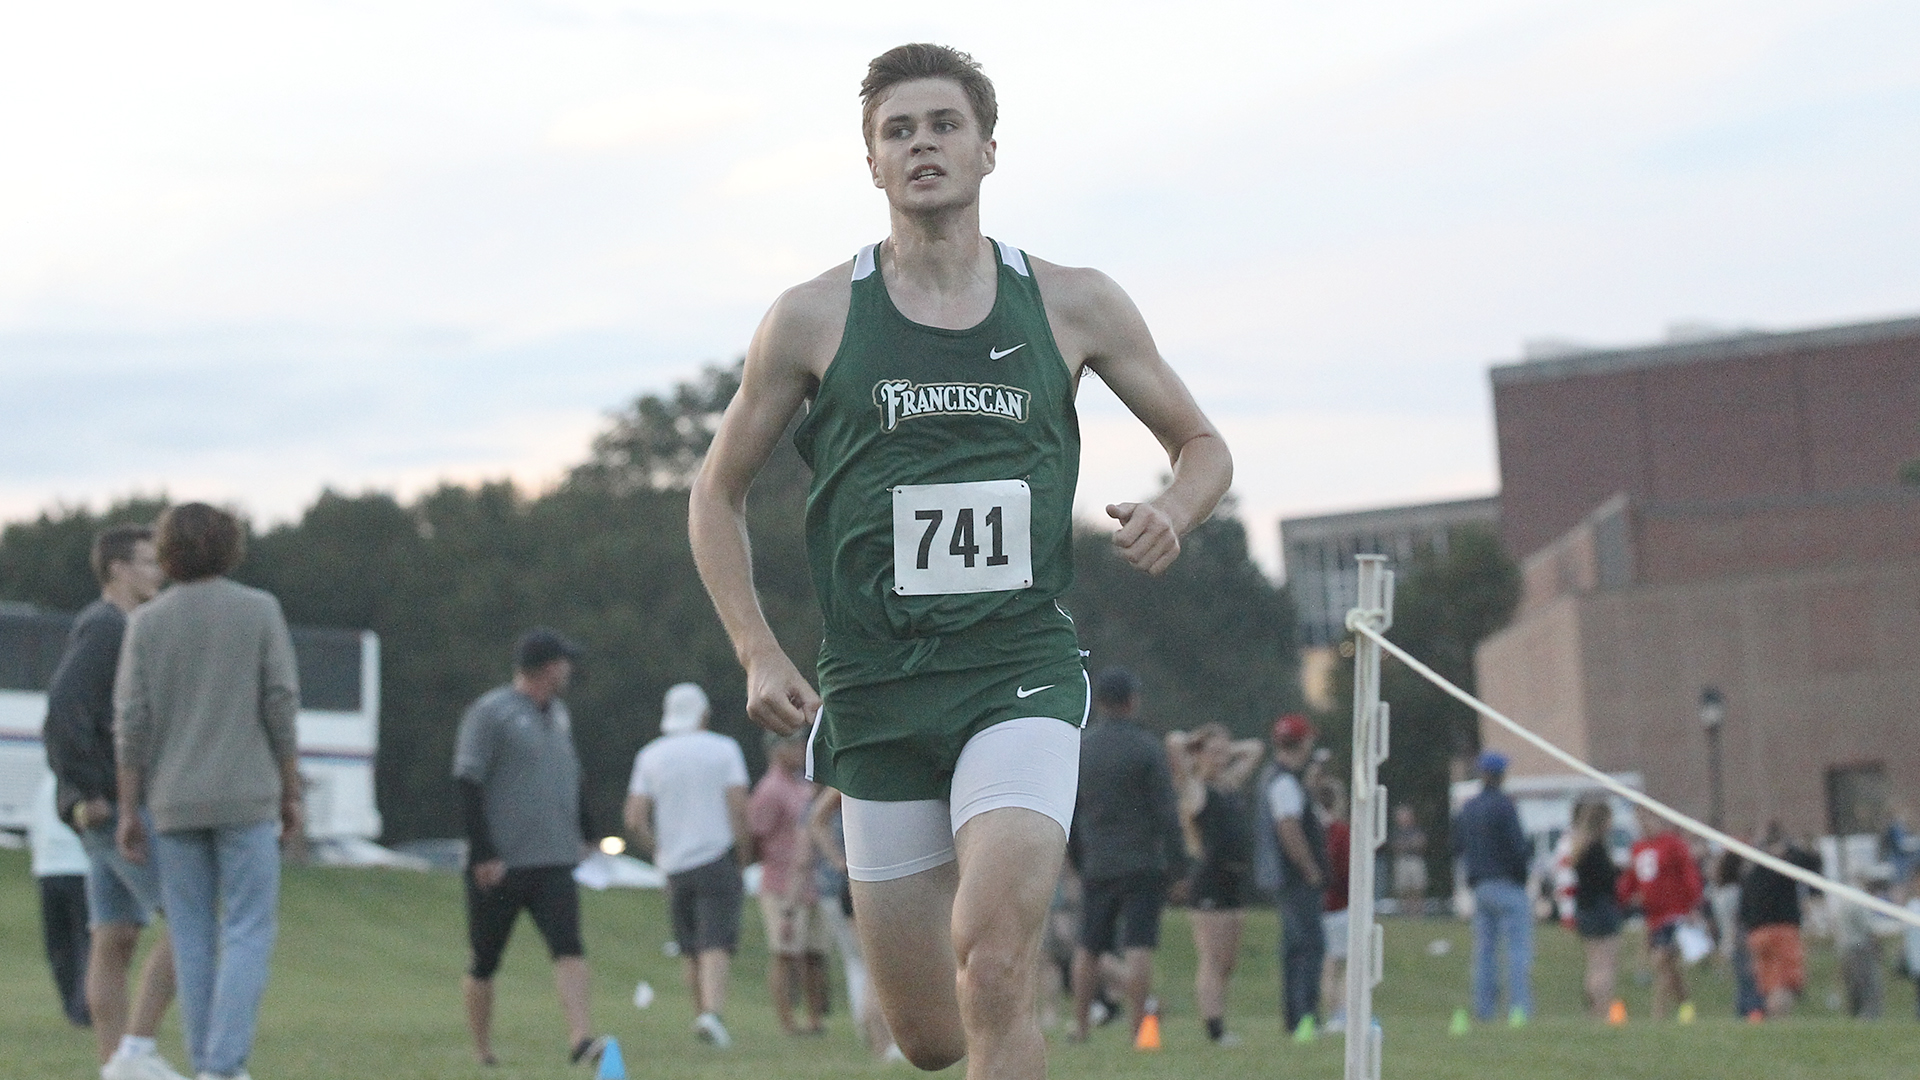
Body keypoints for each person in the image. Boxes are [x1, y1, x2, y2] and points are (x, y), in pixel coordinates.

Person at [685, 42, 1231, 1080]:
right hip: (876, 690)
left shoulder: (1072, 303)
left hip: (1015, 668)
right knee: (930, 1038)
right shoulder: (812, 318)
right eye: (899, 131)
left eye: (942, 125)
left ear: (987, 149)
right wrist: (756, 650)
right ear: (873, 164)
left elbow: (1203, 448)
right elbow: (715, 492)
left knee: (993, 961)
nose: (922, 145)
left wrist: (1175, 509)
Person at [114, 503, 301, 1080]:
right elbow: (280, 705)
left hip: (172, 802)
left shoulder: (146, 623)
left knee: (190, 934)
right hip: (246, 796)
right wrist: (290, 792)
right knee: (248, 928)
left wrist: (128, 808)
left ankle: (205, 1063)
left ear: (168, 551)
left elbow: (131, 722)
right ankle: (224, 1065)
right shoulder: (260, 610)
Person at [41, 523, 187, 1080]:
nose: (160, 572)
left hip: (107, 805)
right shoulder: (106, 628)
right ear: (119, 569)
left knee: (116, 936)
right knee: (191, 917)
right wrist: (87, 791)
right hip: (115, 805)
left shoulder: (120, 626)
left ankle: (112, 1067)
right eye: (149, 562)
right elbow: (62, 709)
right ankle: (135, 1054)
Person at [451, 627, 608, 1069]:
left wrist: (587, 831)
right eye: (564, 663)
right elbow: (468, 781)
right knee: (484, 958)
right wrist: (483, 852)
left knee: (568, 946)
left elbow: (571, 775)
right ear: (546, 667)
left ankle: (580, 1038)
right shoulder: (490, 713)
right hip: (502, 862)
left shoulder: (559, 715)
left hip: (554, 857)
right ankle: (483, 1051)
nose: (569, 671)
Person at [1065, 668, 1189, 1044]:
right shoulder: (1147, 747)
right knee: (1138, 946)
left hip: (1098, 862)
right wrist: (1179, 865)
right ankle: (1139, 1029)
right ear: (1132, 700)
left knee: (1089, 947)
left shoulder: (1084, 748)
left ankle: (1081, 1026)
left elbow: (1071, 809)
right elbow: (1167, 811)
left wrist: (1078, 858)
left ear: (1100, 702)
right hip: (1142, 862)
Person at [626, 682, 752, 1049]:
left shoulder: (650, 755)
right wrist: (743, 856)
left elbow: (634, 818)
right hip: (716, 857)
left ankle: (699, 1013)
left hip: (675, 864)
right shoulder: (724, 749)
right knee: (716, 941)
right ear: (704, 714)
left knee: (689, 944)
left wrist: (659, 851)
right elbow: (739, 809)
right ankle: (712, 1014)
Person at [1166, 723, 1263, 1045]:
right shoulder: (1195, 788)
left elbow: (1256, 748)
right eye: (1215, 753)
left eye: (1225, 752)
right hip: (1208, 880)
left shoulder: (1230, 785)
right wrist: (1199, 746)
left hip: (1235, 880)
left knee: (1228, 961)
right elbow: (1174, 741)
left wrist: (1225, 749)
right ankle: (1214, 1029)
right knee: (1211, 957)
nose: (1222, 759)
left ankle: (1219, 1017)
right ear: (1201, 754)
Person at [807, 786, 900, 1058]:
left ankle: (883, 1041)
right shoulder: (854, 772)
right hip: (867, 877)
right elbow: (816, 819)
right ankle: (882, 1043)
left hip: (879, 876)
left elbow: (816, 819)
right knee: (878, 966)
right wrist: (839, 860)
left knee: (879, 965)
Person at [748, 733, 830, 1036]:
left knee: (814, 954)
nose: (799, 750)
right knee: (785, 953)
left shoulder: (802, 786)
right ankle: (787, 1021)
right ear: (776, 750)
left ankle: (815, 1018)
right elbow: (756, 834)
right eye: (793, 745)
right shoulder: (769, 790)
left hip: (811, 882)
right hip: (781, 882)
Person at [1452, 750, 1533, 1026]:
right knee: (1517, 951)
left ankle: (1484, 1010)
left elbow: (1459, 847)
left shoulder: (1469, 807)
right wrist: (1522, 873)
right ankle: (1518, 1009)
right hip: (1507, 884)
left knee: (1484, 952)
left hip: (1480, 886)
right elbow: (1517, 847)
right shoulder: (1504, 806)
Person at [1266, 713, 1328, 1038]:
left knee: (1296, 946)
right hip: (1297, 880)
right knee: (1307, 947)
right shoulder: (1284, 782)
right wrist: (1310, 869)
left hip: (1288, 879)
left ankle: (1298, 1017)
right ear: (1302, 742)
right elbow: (1289, 828)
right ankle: (1304, 1016)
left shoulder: (1283, 780)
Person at [1617, 806, 1705, 1022]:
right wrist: (1622, 897)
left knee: (1661, 960)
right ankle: (1686, 1005)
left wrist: (1692, 906)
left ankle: (1658, 1014)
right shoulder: (1638, 848)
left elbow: (1689, 876)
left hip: (1676, 914)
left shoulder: (1673, 845)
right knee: (1669, 967)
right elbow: (1633, 880)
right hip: (1653, 917)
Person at [1736, 822, 1820, 1019]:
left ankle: (1770, 1020)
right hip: (1782, 930)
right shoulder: (1784, 866)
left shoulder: (1752, 871)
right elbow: (1812, 863)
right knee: (1784, 983)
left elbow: (1743, 908)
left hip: (1756, 934)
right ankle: (1780, 1022)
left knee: (1769, 983)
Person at [31, 771, 93, 1027]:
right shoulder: (48, 782)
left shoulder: (80, 783)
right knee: (61, 944)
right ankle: (74, 1005)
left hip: (77, 868)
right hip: (51, 869)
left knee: (81, 941)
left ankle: (84, 1004)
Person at [1567, 796, 1623, 1019]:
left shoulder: (1580, 848)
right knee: (1605, 963)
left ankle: (1594, 1010)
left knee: (1593, 963)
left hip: (1585, 910)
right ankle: (1602, 1009)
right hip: (1601, 909)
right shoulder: (1597, 849)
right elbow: (1606, 881)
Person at [1317, 775, 1352, 1034]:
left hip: (1318, 904)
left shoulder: (1313, 829)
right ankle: (1341, 1013)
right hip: (1339, 904)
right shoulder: (1340, 831)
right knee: (1340, 964)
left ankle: (1333, 1013)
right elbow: (1345, 869)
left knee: (1328, 964)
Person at [1389, 804, 1428, 915]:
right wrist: (1411, 844)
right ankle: (1405, 911)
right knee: (1403, 888)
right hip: (1402, 860)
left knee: (1417, 887)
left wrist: (1407, 844)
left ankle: (1417, 911)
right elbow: (1396, 846)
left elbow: (1421, 842)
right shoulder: (1396, 831)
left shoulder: (1416, 829)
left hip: (1415, 860)